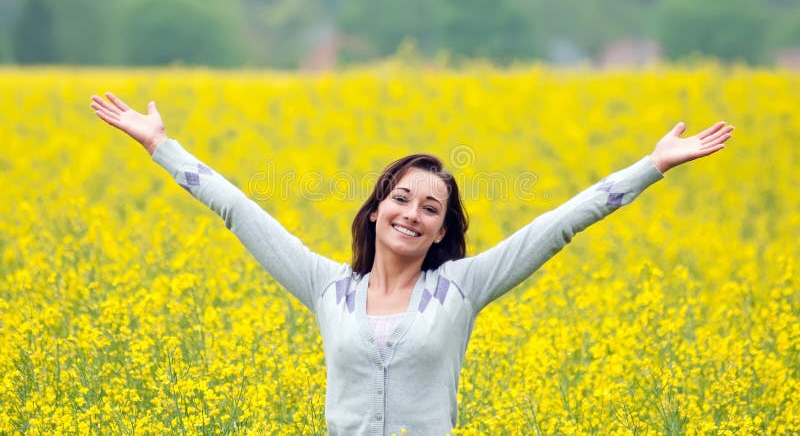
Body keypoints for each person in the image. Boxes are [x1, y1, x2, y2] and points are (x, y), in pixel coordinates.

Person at [90, 92, 733, 436]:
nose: (412, 213)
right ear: (375, 212)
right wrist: (161, 146)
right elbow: (238, 212)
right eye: (400, 198)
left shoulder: (462, 286)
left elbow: (561, 222)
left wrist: (654, 166)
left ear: (440, 231)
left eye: (430, 208)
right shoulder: (326, 286)